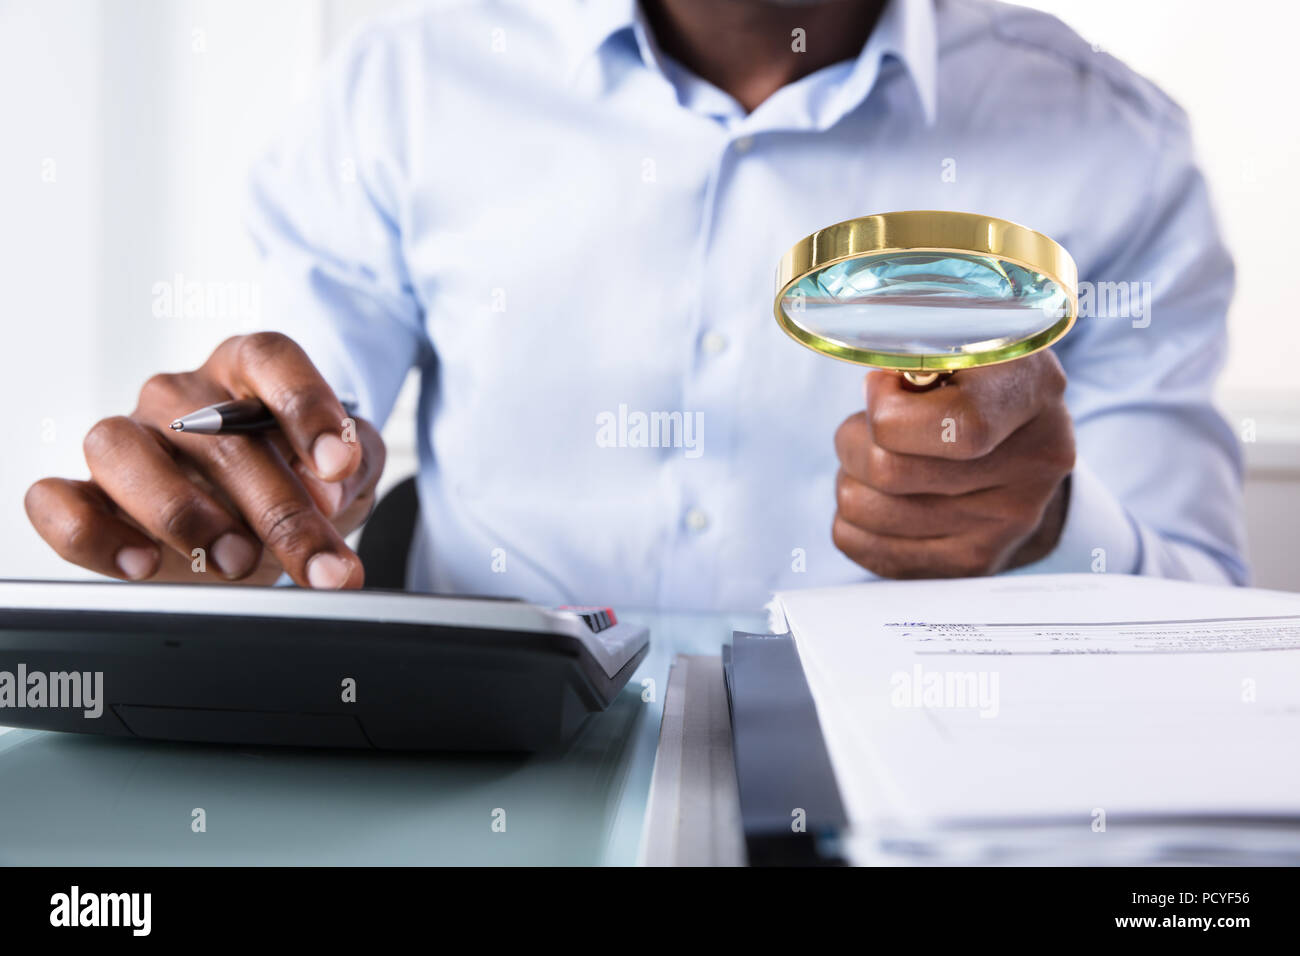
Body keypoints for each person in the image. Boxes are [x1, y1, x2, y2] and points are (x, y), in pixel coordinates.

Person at [24, 0, 1247, 610]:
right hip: (480, 781)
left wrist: (1045, 527)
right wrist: (255, 482)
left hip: (931, 809)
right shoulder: (411, 85)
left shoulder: (1113, 145)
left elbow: (1196, 614)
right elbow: (308, 420)